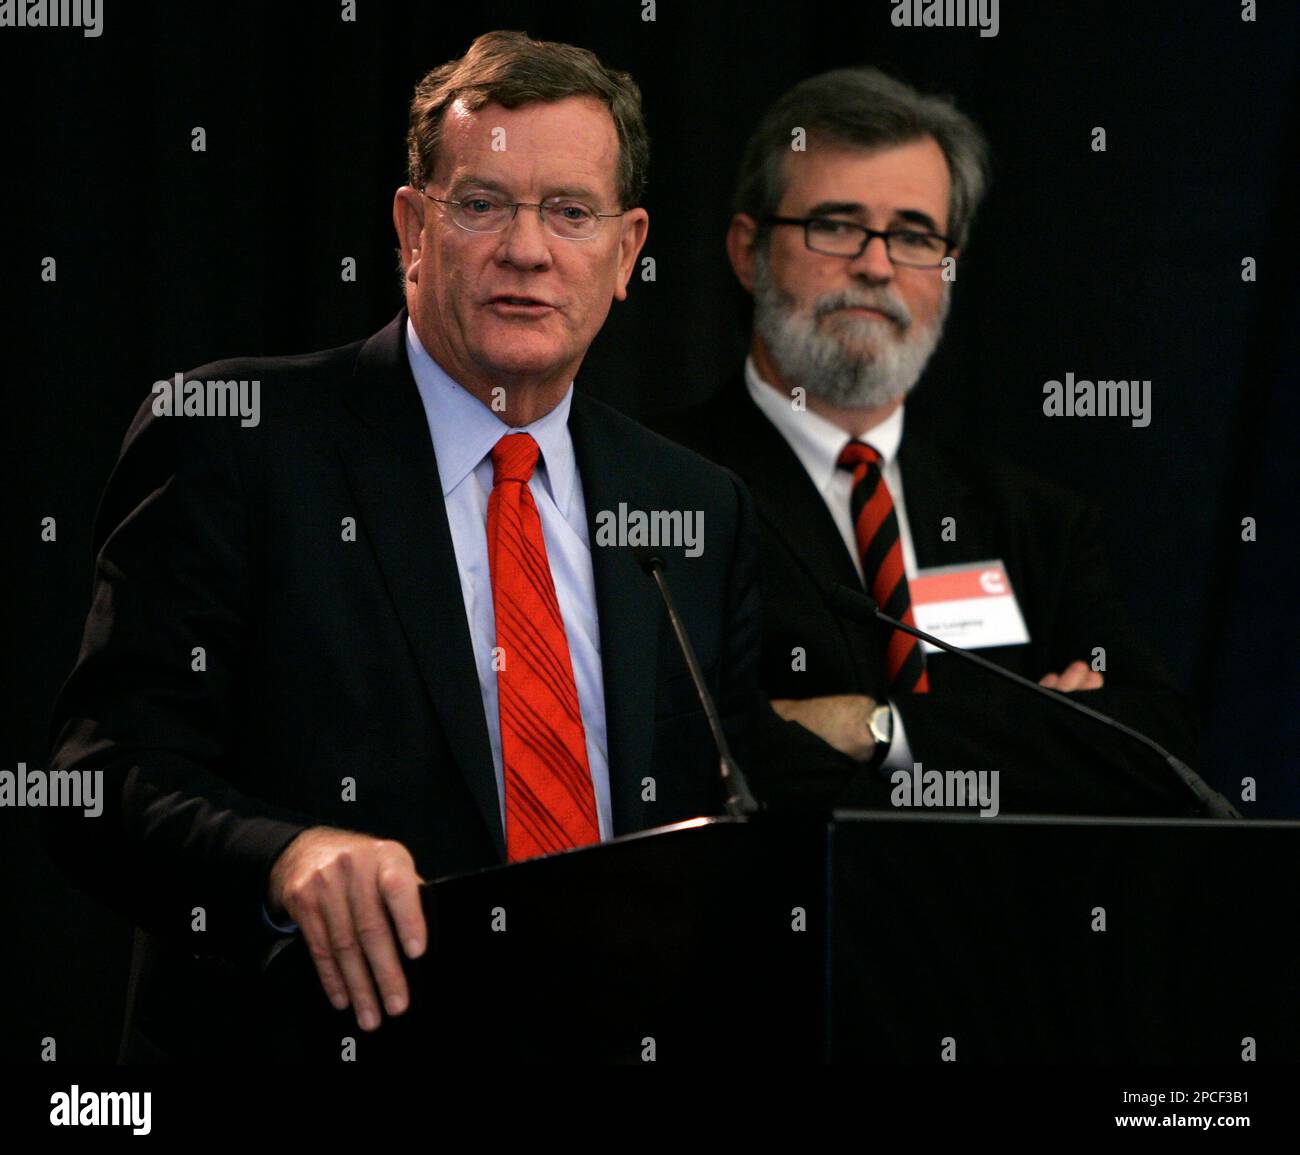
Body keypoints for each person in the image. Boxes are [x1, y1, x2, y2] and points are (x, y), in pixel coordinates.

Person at [43, 30, 761, 1061]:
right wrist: (284, 857)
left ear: (626, 252)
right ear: (411, 227)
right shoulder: (236, 436)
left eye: (569, 212)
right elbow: (99, 779)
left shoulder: (693, 505)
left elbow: (722, 831)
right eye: (481, 205)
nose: (527, 249)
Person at [651, 67, 1195, 818]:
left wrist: (878, 727)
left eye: (912, 236)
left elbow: (1160, 751)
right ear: (748, 251)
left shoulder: (1034, 520)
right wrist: (1037, 738)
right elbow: (700, 752)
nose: (875, 265)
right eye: (836, 224)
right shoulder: (658, 486)